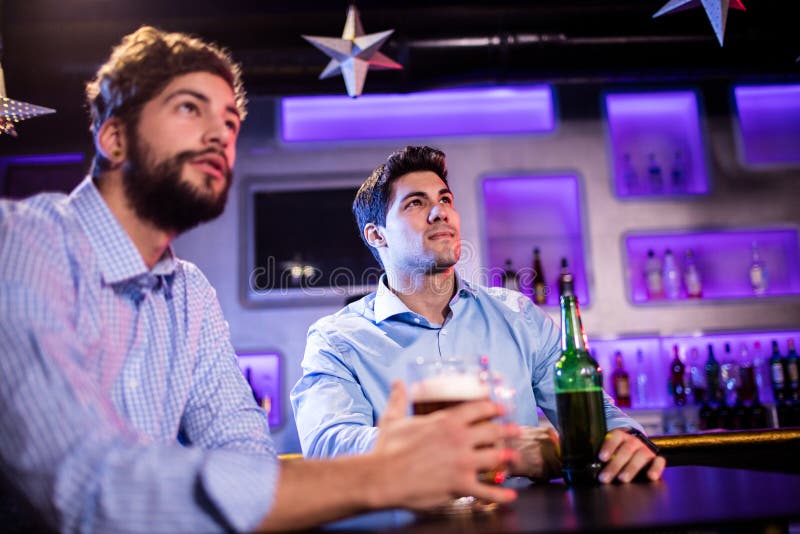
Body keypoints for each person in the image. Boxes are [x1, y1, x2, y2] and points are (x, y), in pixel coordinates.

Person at [0, 28, 522, 532]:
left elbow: (247, 456)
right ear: (114, 136)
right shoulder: (22, 243)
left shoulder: (189, 291)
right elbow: (88, 490)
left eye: (230, 122)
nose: (219, 135)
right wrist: (383, 473)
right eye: (189, 107)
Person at [292, 145, 666, 484]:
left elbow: (591, 411)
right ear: (377, 235)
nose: (440, 212)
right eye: (416, 203)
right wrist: (498, 451)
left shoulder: (517, 314)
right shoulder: (336, 338)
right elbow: (329, 446)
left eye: (445, 199)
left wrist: (624, 439)